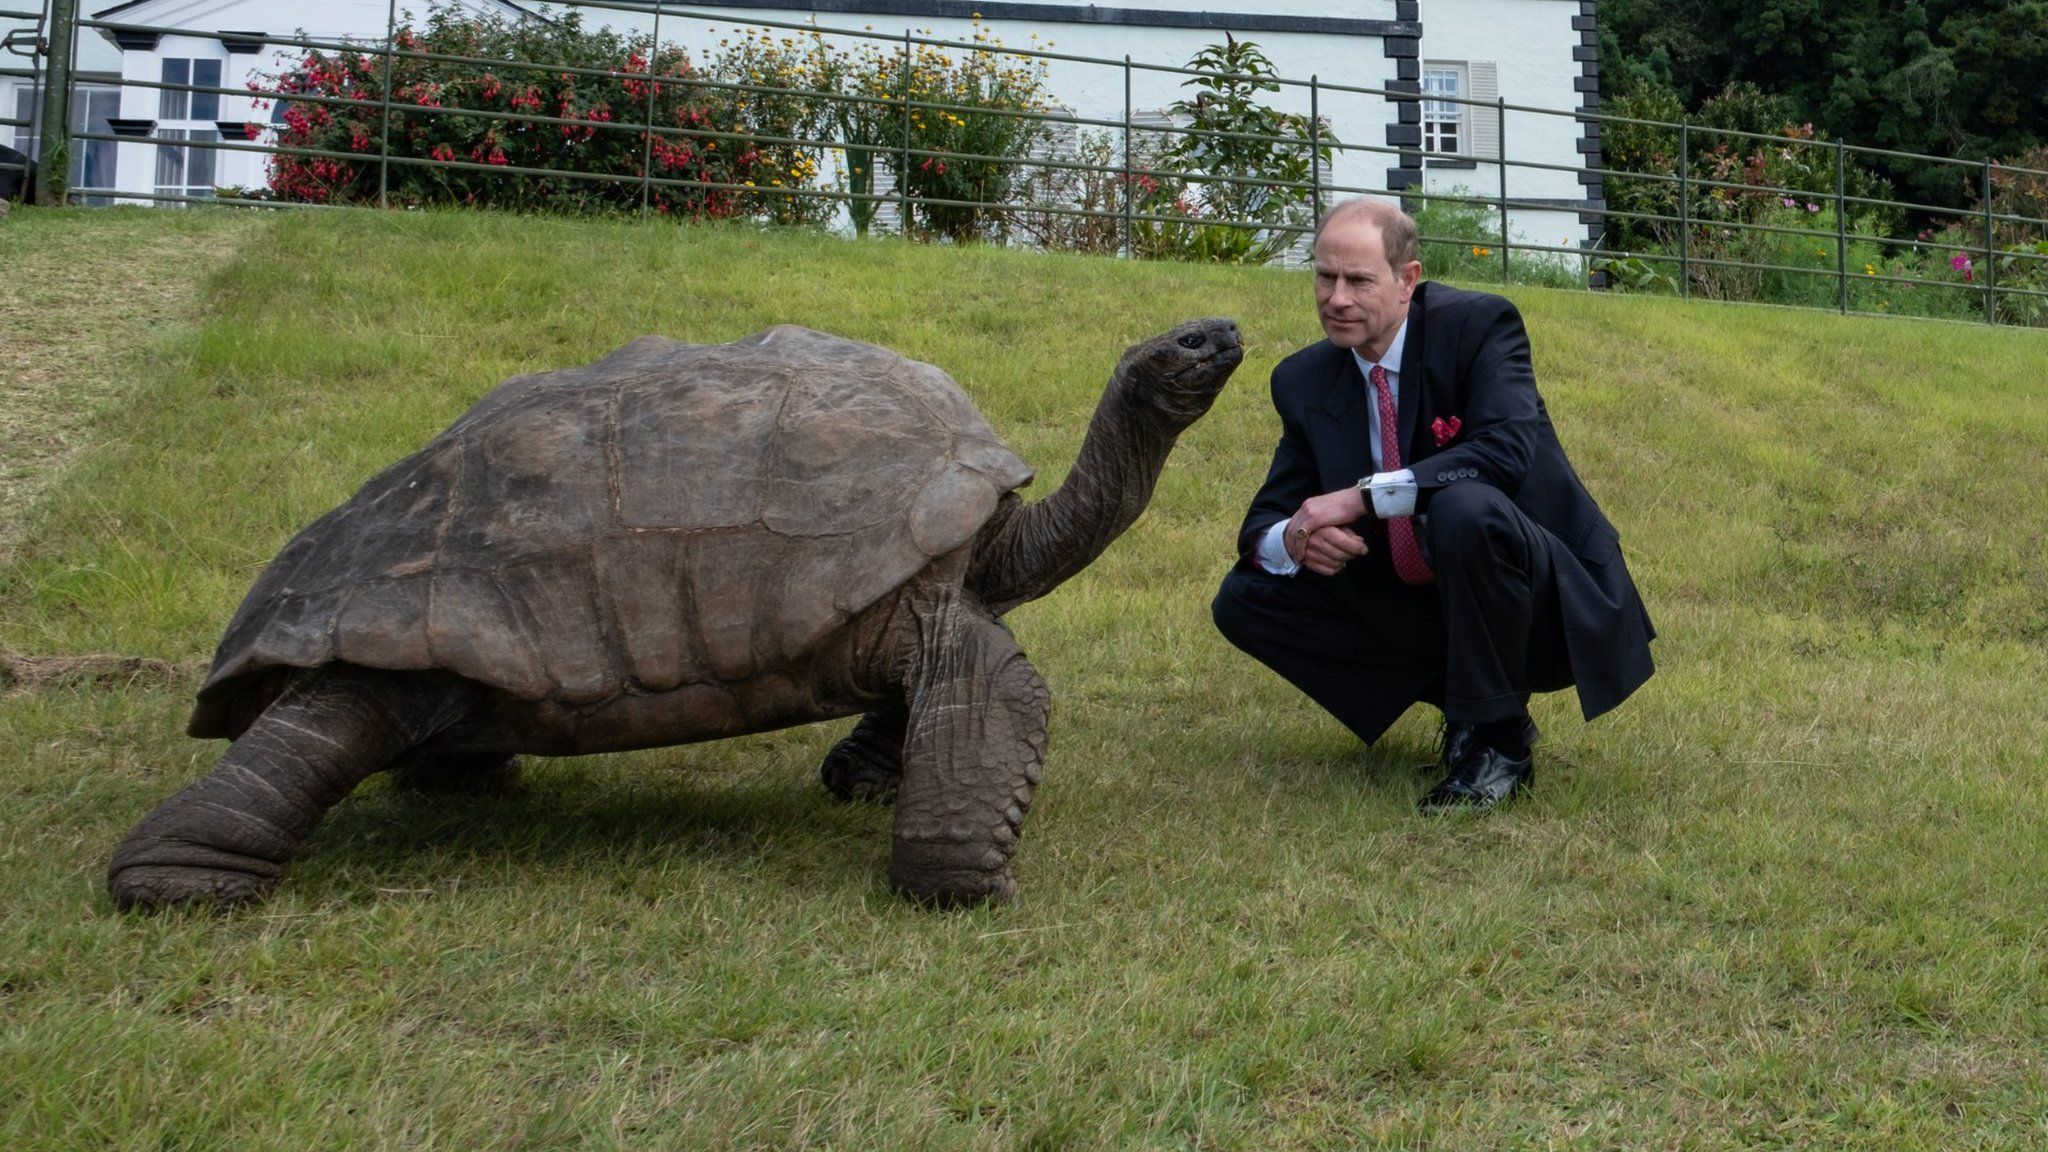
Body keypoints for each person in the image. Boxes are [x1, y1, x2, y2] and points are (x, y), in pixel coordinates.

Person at [1211, 197, 1653, 811]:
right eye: (1324, 276)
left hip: (1544, 599)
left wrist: (1363, 497)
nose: (1336, 298)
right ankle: (1471, 707)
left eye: (1358, 280)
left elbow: (1504, 453)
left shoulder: (1478, 327)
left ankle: (1499, 745)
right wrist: (1295, 538)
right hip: (1426, 595)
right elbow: (1265, 520)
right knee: (1244, 599)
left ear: (1407, 280)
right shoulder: (1303, 379)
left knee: (1463, 507)